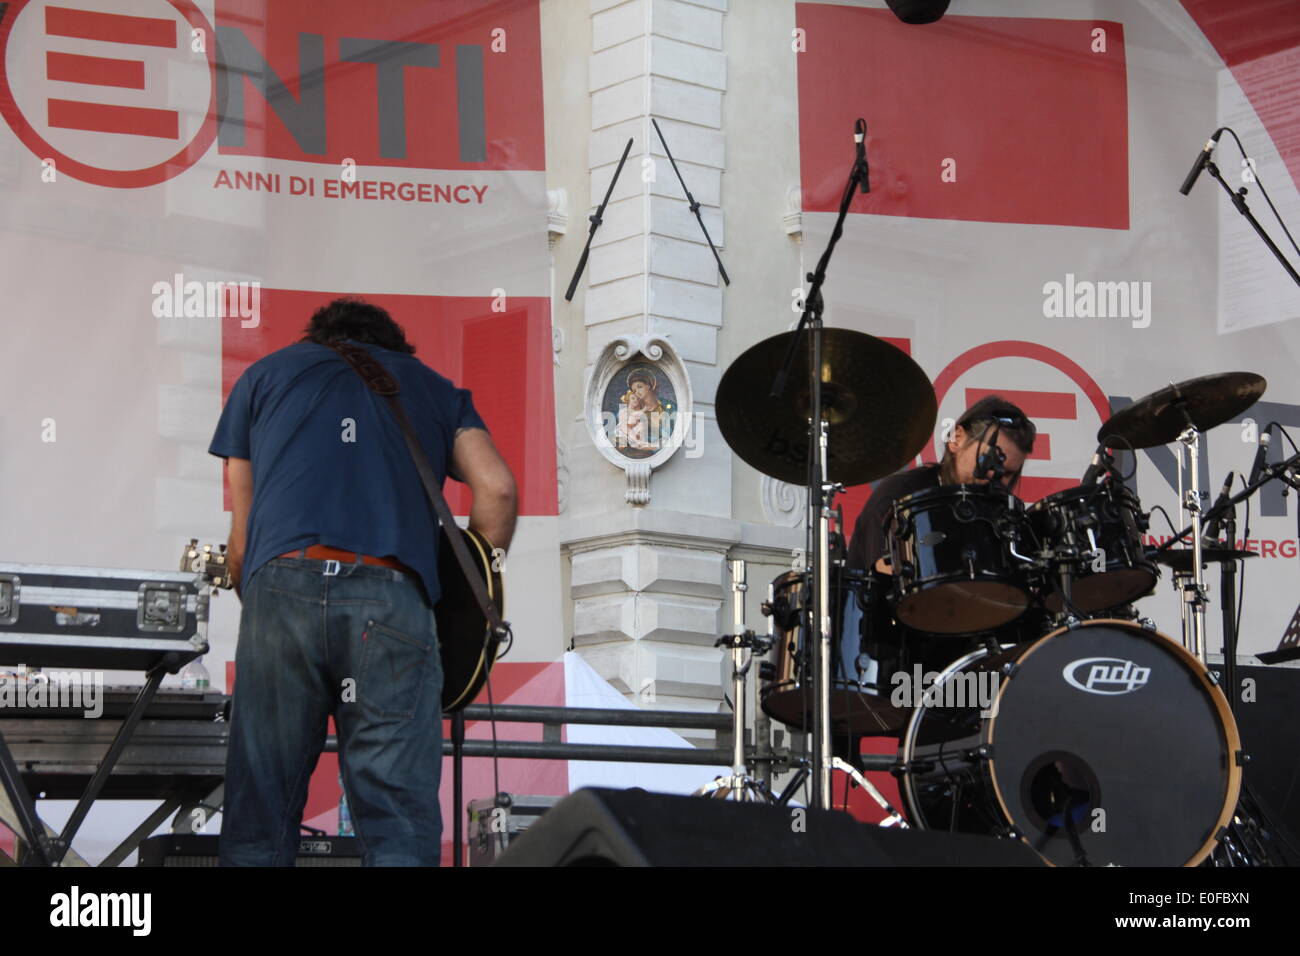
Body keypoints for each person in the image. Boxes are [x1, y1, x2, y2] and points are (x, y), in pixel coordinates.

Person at [209, 297, 517, 866]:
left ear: (316, 337)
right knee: (397, 817)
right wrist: (470, 586)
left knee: (262, 808)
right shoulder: (432, 387)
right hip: (392, 597)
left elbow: (241, 547)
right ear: (393, 348)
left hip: (283, 587)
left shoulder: (263, 377)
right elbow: (496, 488)